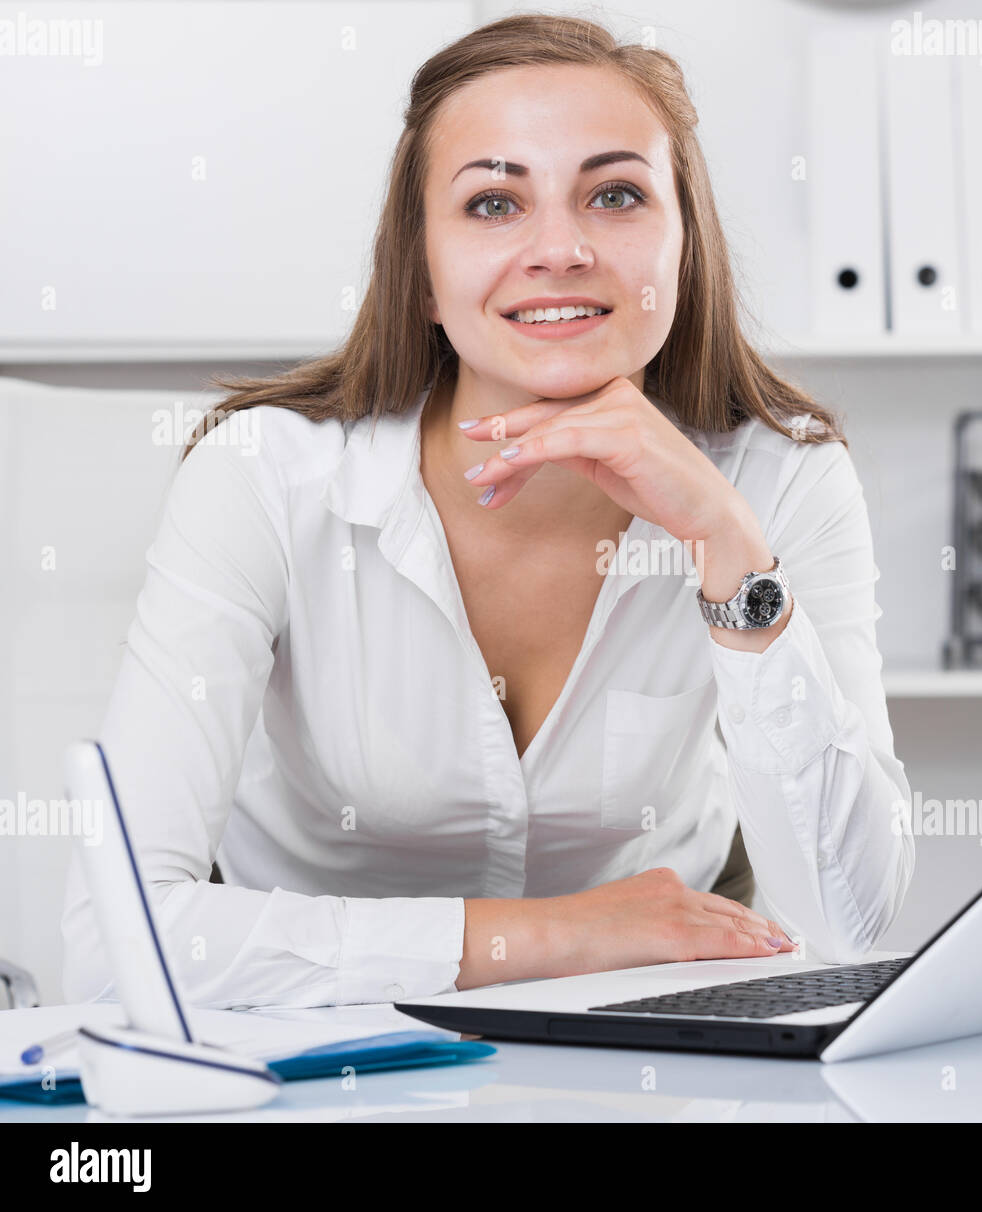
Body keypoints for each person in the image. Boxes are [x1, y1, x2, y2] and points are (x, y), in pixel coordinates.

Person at [61, 12, 914, 1008]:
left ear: (685, 246)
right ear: (422, 272)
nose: (559, 248)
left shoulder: (782, 480)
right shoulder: (264, 476)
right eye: (494, 203)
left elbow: (847, 922)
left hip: (653, 1058)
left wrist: (728, 552)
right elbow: (113, 942)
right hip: (311, 1059)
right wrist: (551, 937)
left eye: (616, 194)